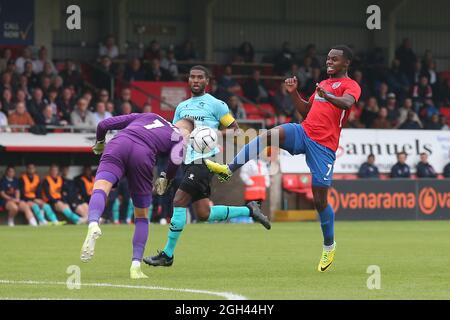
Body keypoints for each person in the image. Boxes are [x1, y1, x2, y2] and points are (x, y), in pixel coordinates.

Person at [206, 45, 362, 272]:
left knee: (320, 201)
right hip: (304, 132)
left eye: (334, 59)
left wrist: (327, 96)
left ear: (346, 63)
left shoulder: (350, 85)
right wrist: (293, 94)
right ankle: (229, 168)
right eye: (328, 58)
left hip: (324, 146)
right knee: (269, 135)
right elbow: (307, 112)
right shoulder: (324, 84)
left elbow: (347, 103)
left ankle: (329, 245)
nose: (329, 62)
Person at [143, 65, 270, 268]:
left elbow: (235, 130)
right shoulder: (181, 108)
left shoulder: (217, 105)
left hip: (204, 162)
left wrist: (213, 137)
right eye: (192, 77)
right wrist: (168, 171)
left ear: (207, 81)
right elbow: (176, 138)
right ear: (188, 80)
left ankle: (167, 254)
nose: (195, 80)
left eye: (200, 77)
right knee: (204, 214)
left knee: (178, 201)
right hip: (186, 162)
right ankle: (249, 210)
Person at [80, 112, 195, 279]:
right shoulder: (178, 136)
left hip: (119, 143)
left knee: (101, 188)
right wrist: (166, 178)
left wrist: (99, 143)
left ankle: (93, 223)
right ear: (189, 132)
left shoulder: (149, 115)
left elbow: (104, 125)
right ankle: (135, 267)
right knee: (141, 215)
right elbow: (175, 159)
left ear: (176, 121)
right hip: (143, 154)